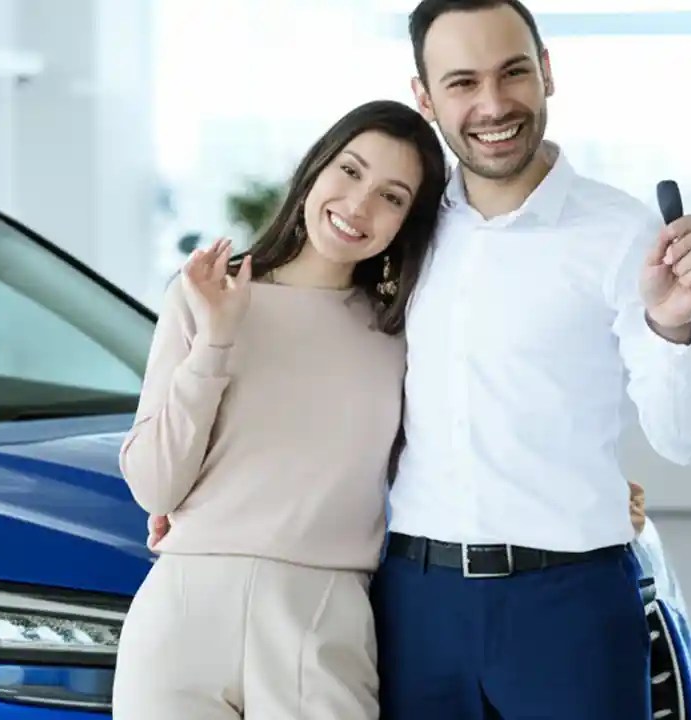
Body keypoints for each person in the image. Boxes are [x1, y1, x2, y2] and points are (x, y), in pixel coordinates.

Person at [370, 1, 691, 719]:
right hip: (415, 604)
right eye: (463, 82)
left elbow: (686, 441)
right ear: (425, 97)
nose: (494, 104)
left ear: (548, 74)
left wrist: (671, 326)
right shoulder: (402, 230)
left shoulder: (622, 234)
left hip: (570, 606)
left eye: (513, 73)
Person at [111, 99, 447, 720]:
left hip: (321, 619)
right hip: (183, 613)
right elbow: (155, 484)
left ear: (409, 221)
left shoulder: (402, 336)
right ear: (316, 168)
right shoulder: (206, 296)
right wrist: (216, 340)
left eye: (391, 196)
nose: (358, 205)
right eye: (349, 171)